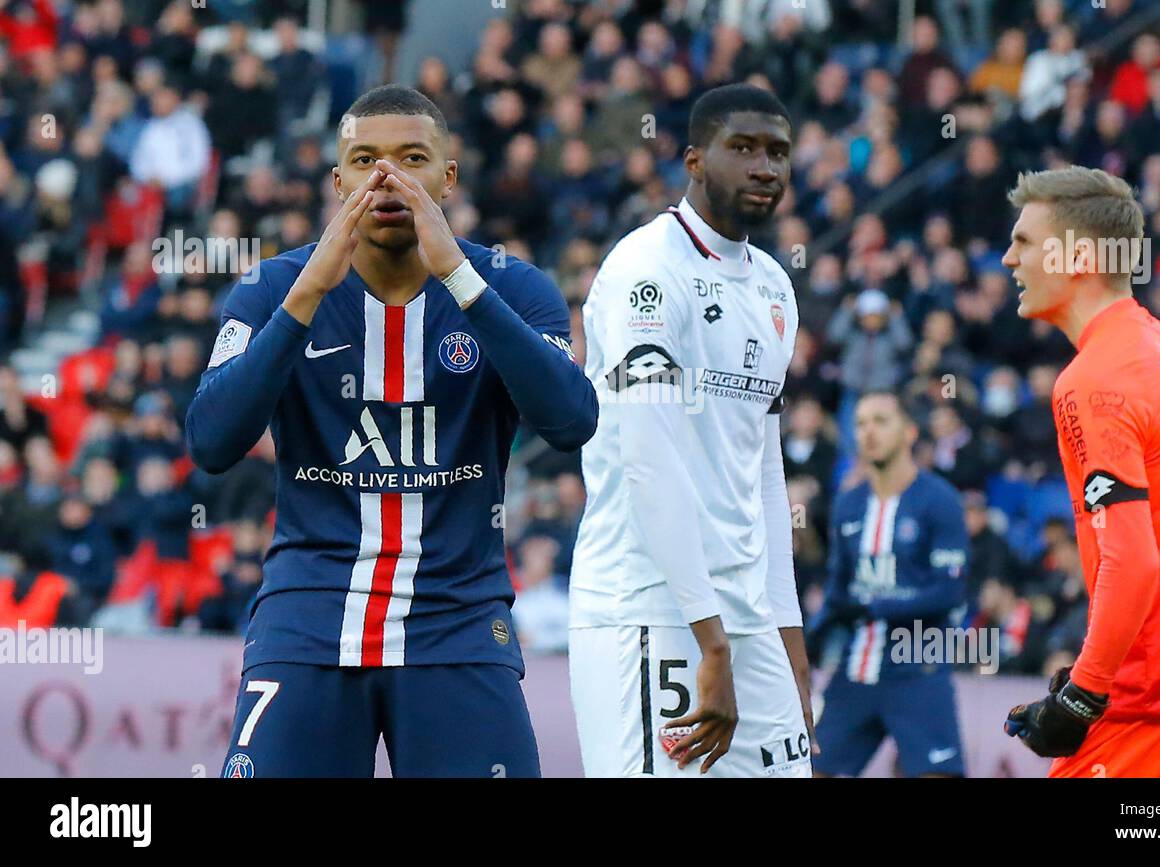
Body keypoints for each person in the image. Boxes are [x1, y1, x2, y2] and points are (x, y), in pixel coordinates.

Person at [186, 85, 597, 778]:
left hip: (458, 624)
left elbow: (571, 421)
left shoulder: (513, 288)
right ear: (338, 179)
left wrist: (462, 281)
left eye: (413, 158)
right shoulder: (272, 286)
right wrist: (306, 297)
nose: (388, 178)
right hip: (308, 619)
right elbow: (212, 442)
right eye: (366, 159)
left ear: (448, 176)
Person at [568, 84, 813, 777]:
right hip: (651, 606)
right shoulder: (646, 271)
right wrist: (711, 644)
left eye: (777, 152)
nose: (765, 167)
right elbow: (648, 461)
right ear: (695, 161)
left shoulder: (773, 287)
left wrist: (784, 630)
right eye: (743, 149)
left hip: (745, 614)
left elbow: (763, 469)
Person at [1000, 166, 1160, 777]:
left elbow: (1135, 560)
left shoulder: (1094, 380)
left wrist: (1082, 695)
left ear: (1080, 257)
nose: (1009, 258)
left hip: (1154, 702)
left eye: (1025, 242)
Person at [808, 392, 969, 777]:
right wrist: (811, 639)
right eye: (861, 423)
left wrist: (874, 608)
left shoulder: (940, 500)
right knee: (812, 772)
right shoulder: (847, 505)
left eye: (881, 421)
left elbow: (950, 592)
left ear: (909, 431)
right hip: (856, 669)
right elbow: (838, 590)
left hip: (918, 669)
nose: (868, 432)